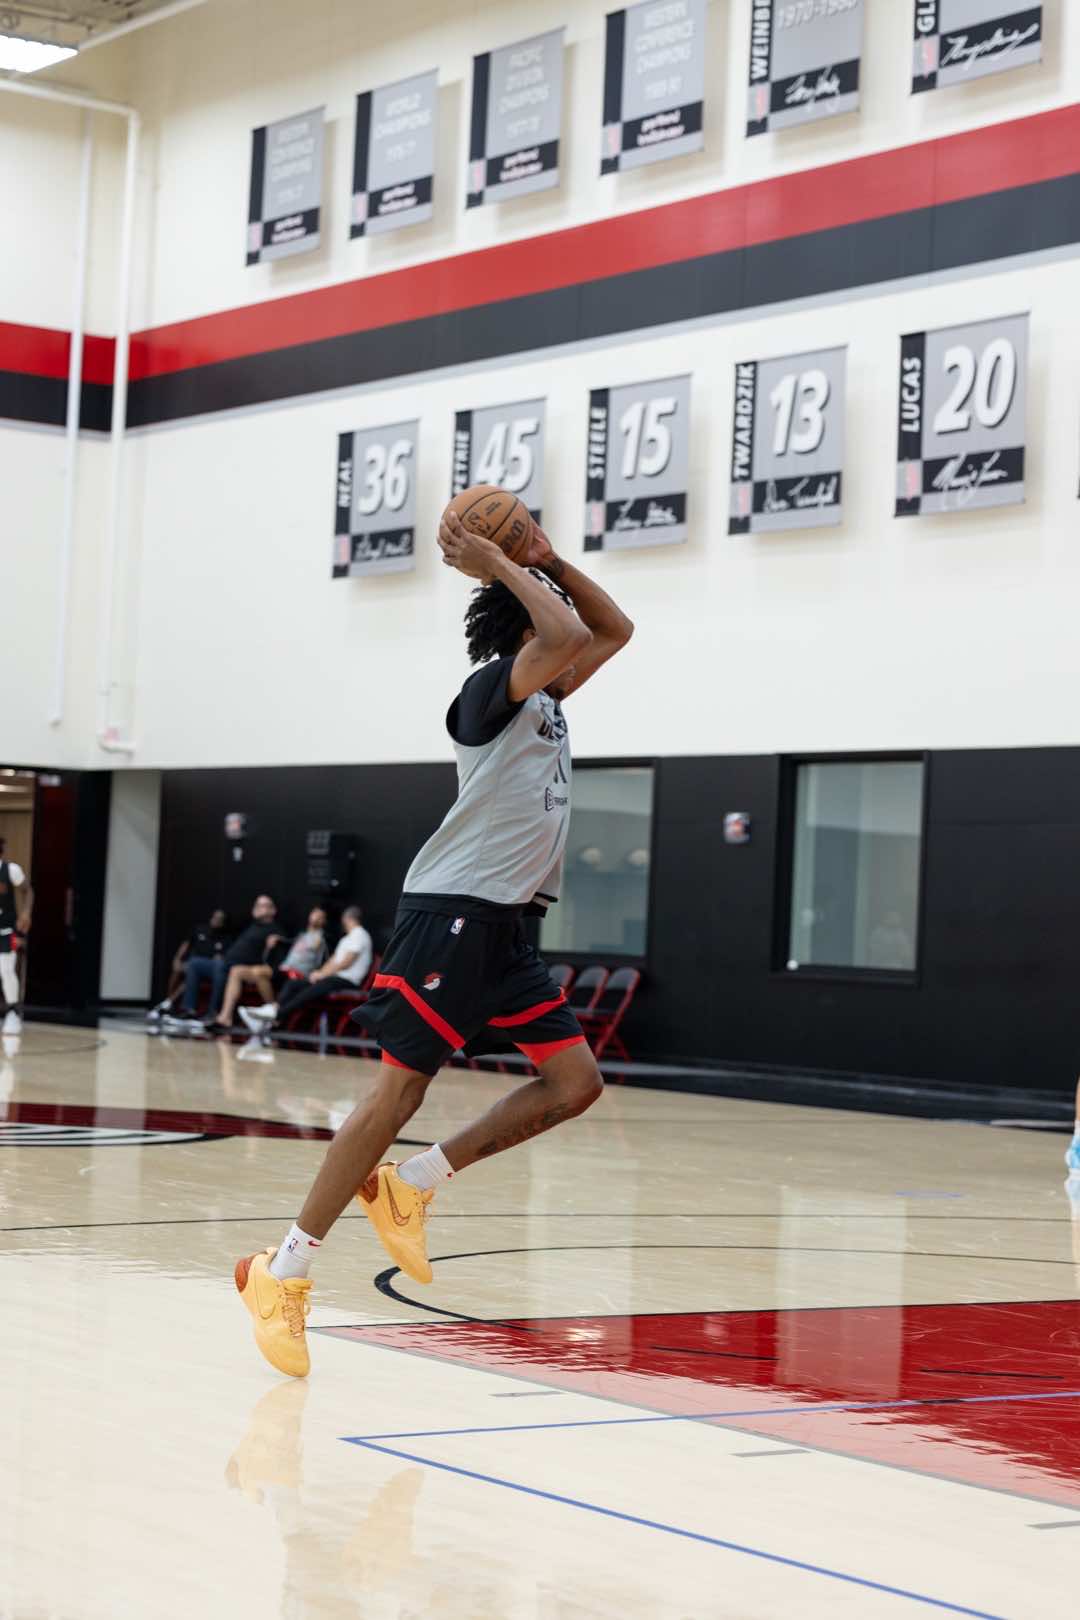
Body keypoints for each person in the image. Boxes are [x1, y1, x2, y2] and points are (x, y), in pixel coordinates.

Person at [236, 508, 633, 1376]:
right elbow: (566, 626)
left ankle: (410, 1186)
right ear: (522, 627)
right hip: (451, 910)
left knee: (575, 1083)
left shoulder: (551, 697)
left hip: (509, 923)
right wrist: (498, 557)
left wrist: (546, 553)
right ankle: (281, 1271)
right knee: (394, 1100)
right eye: (541, 597)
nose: (554, 602)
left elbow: (614, 628)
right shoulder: (491, 690)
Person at [239, 905, 372, 1035]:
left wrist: (323, 975)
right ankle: (273, 1014)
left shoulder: (360, 935)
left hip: (347, 980)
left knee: (307, 993)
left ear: (347, 918)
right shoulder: (347, 938)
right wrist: (319, 973)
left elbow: (346, 963)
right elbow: (333, 960)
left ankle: (275, 1015)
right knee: (293, 984)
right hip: (333, 977)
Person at [169, 894, 282, 1026]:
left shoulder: (275, 930)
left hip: (246, 967)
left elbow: (273, 959)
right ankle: (188, 1010)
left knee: (221, 968)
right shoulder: (252, 926)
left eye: (262, 905)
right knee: (194, 963)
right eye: (256, 905)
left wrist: (272, 944)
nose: (257, 908)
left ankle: (213, 1012)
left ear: (272, 910)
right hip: (226, 962)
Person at [216, 906, 329, 1031]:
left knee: (260, 972)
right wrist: (275, 941)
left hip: (298, 974)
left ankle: (270, 1013)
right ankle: (226, 1016)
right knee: (236, 971)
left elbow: (324, 959)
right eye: (315, 914)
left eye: (320, 917)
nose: (316, 918)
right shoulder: (300, 935)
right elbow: (287, 944)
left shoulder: (321, 938)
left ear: (324, 921)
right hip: (283, 969)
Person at [148, 908, 230, 1021]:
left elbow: (223, 956)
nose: (216, 920)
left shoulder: (225, 937)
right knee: (181, 969)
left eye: (220, 919)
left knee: (193, 969)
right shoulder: (200, 929)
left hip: (208, 967)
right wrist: (177, 958)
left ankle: (169, 1003)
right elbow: (186, 944)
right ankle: (172, 1003)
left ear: (223, 922)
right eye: (215, 917)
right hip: (192, 961)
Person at [0, 838, 33, 1036]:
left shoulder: (11, 870)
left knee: (6, 970)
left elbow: (28, 890)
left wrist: (26, 913)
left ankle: (12, 1012)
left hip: (6, 930)